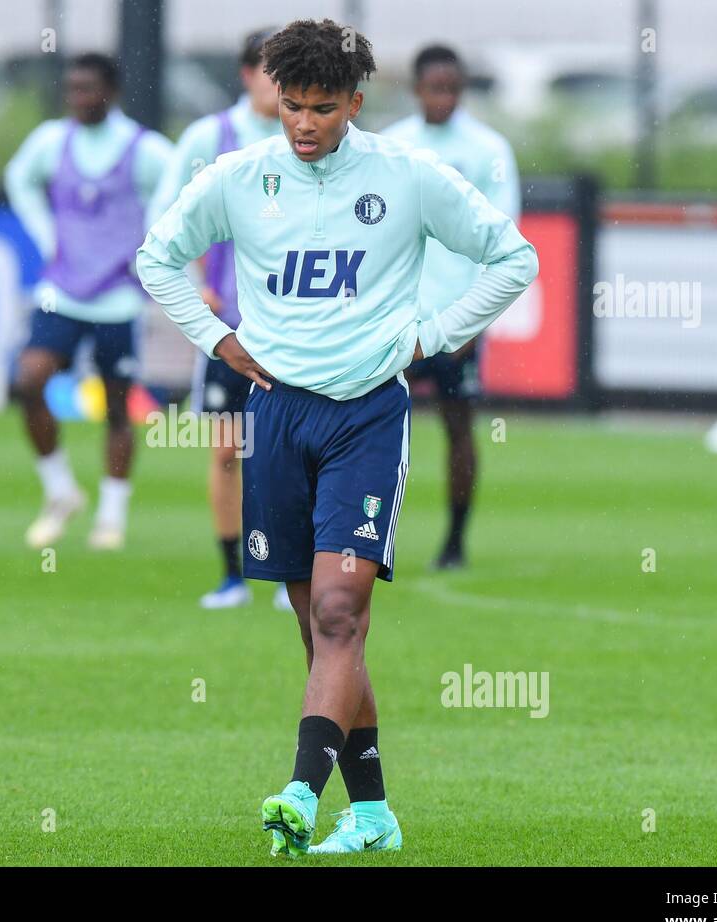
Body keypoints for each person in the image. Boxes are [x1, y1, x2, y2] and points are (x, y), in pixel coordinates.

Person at [137, 19, 537, 857]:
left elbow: (511, 258)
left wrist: (431, 336)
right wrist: (218, 341)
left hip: (365, 415)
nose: (305, 124)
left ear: (357, 102)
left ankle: (298, 791)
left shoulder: (409, 177)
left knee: (339, 610)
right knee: (318, 630)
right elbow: (158, 259)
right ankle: (375, 813)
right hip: (275, 416)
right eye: (292, 107)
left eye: (324, 107)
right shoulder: (238, 178)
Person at [146, 28, 292, 611]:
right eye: (268, 71)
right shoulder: (212, 138)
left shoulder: (307, 137)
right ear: (246, 73)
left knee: (285, 452)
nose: (278, 85)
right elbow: (164, 220)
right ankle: (232, 575)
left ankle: (287, 574)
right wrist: (193, 286)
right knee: (228, 451)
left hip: (293, 332)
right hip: (230, 332)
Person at [4, 53, 172, 550]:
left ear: (112, 92)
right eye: (72, 88)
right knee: (30, 377)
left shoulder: (142, 149)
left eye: (88, 88)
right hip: (62, 291)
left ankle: (111, 516)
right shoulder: (52, 142)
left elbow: (183, 185)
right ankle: (60, 491)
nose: (78, 98)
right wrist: (47, 237)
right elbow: (19, 180)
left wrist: (149, 243)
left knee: (117, 408)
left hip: (118, 298)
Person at [381, 44, 521, 570]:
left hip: (457, 321)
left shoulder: (488, 150)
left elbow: (503, 241)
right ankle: (375, 534)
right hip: (396, 318)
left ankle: (455, 541)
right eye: (434, 87)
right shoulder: (392, 146)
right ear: (416, 89)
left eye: (452, 88)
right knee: (378, 426)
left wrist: (476, 320)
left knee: (458, 426)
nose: (443, 97)